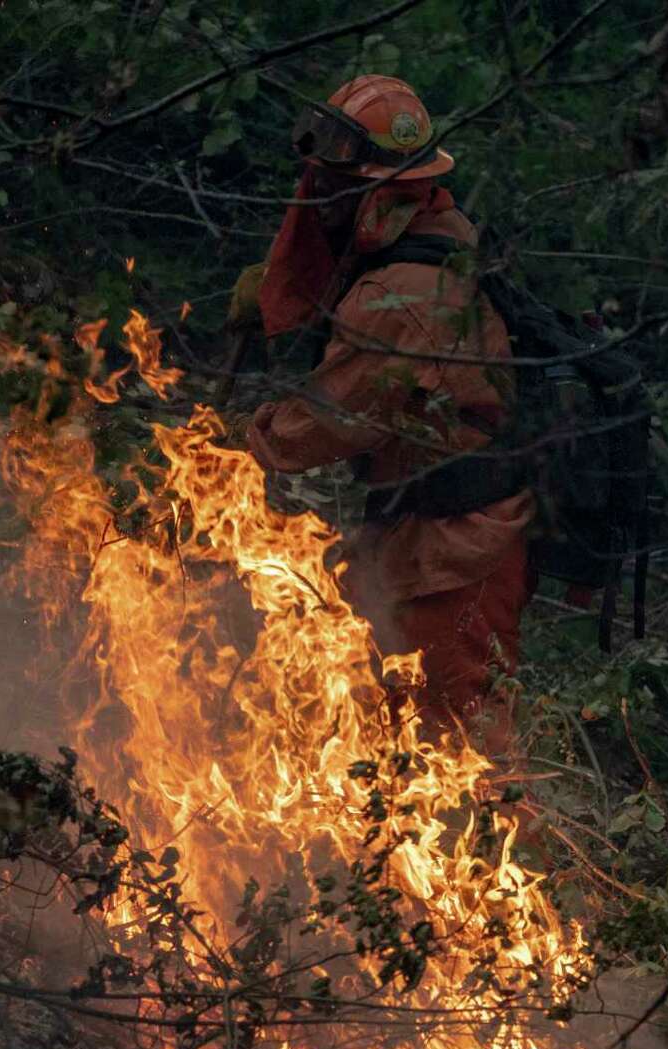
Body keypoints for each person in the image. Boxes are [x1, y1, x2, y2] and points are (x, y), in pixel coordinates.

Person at [226, 75, 533, 756]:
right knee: (399, 737)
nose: (320, 202)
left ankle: (514, 852)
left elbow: (336, 414)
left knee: (467, 744)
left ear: (378, 193)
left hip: (456, 548)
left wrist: (236, 446)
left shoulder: (408, 289)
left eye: (336, 186)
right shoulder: (433, 233)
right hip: (422, 536)